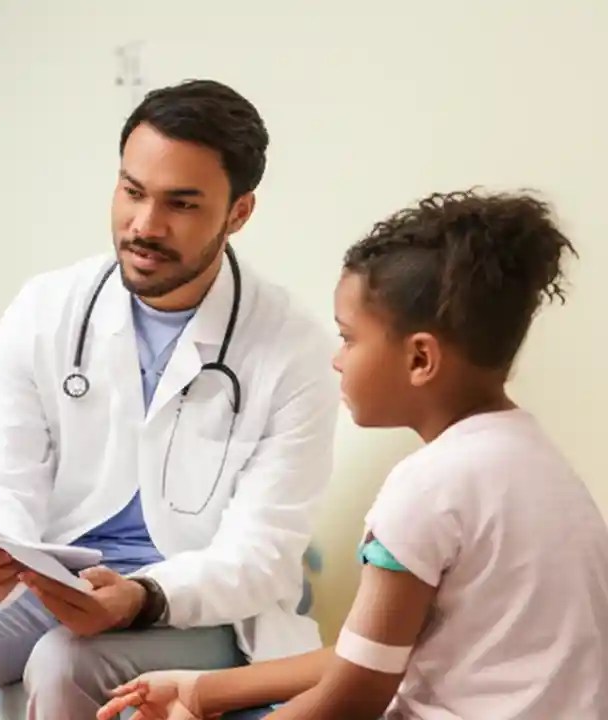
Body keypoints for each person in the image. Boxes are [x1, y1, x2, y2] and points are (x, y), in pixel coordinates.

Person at [0, 79, 341, 719]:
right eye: (132, 192)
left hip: (198, 605)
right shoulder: (50, 308)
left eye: (180, 204)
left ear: (238, 213)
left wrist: (145, 595)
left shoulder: (294, 349)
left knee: (65, 662)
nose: (144, 226)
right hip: (54, 584)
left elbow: (261, 554)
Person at [100, 189, 608, 720]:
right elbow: (367, 655)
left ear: (419, 358)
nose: (336, 360)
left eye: (349, 338)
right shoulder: (538, 461)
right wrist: (202, 691)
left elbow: (355, 696)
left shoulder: (427, 488)